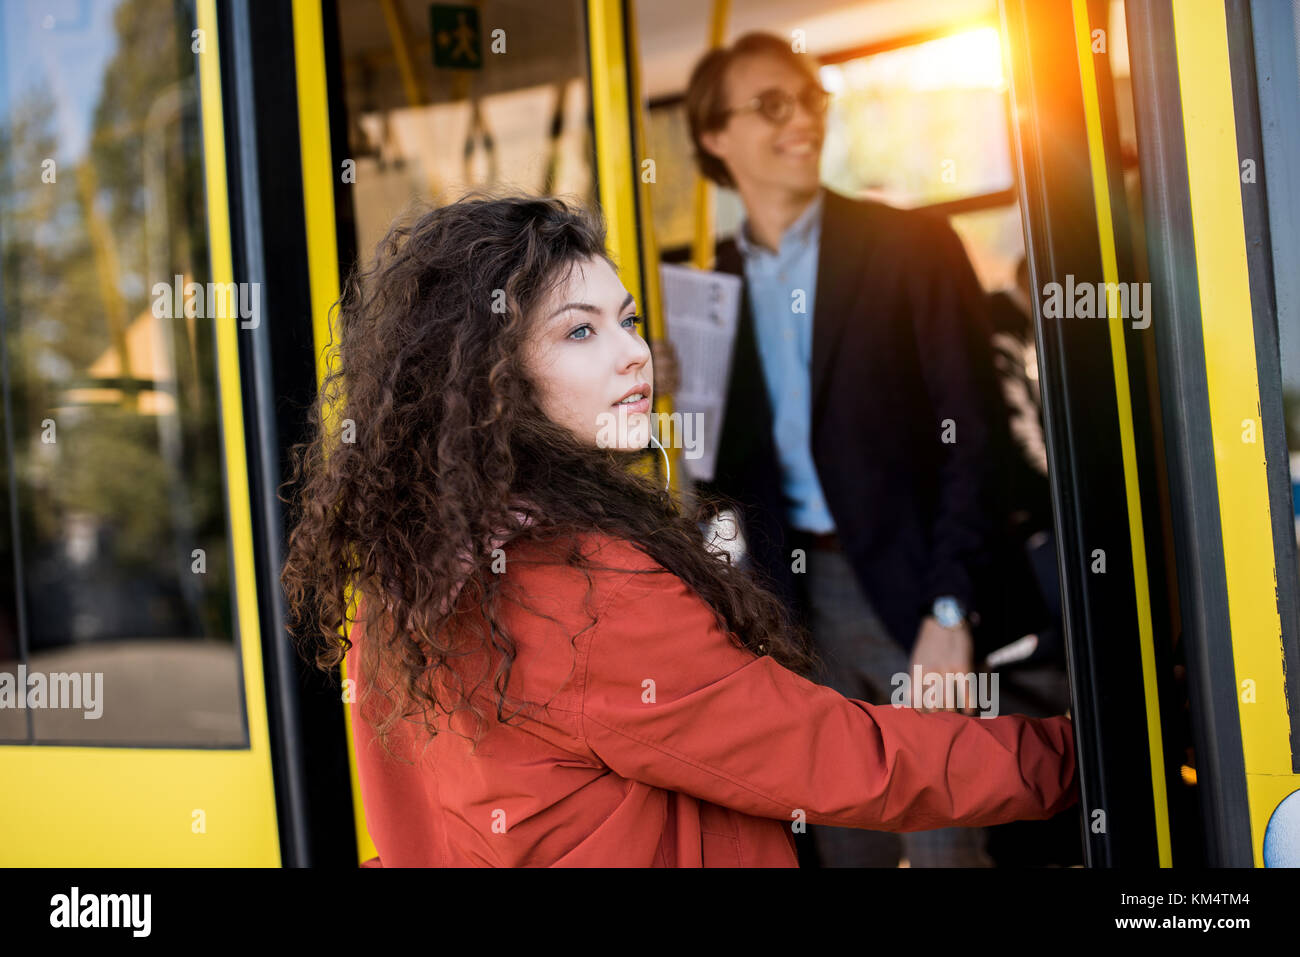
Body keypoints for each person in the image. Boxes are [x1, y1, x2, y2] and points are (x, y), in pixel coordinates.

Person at [279, 193, 1078, 867]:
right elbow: (835, 758)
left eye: (628, 322)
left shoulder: (402, 582)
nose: (636, 355)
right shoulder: (588, 594)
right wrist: (1067, 759)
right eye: (580, 331)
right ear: (492, 381)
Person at [684, 32, 1014, 867]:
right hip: (788, 607)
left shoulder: (913, 246)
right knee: (840, 850)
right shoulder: (704, 292)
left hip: (914, 587)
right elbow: (715, 487)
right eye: (771, 104)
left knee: (948, 846)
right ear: (714, 137)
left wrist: (949, 611)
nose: (803, 119)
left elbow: (976, 437)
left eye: (811, 99)